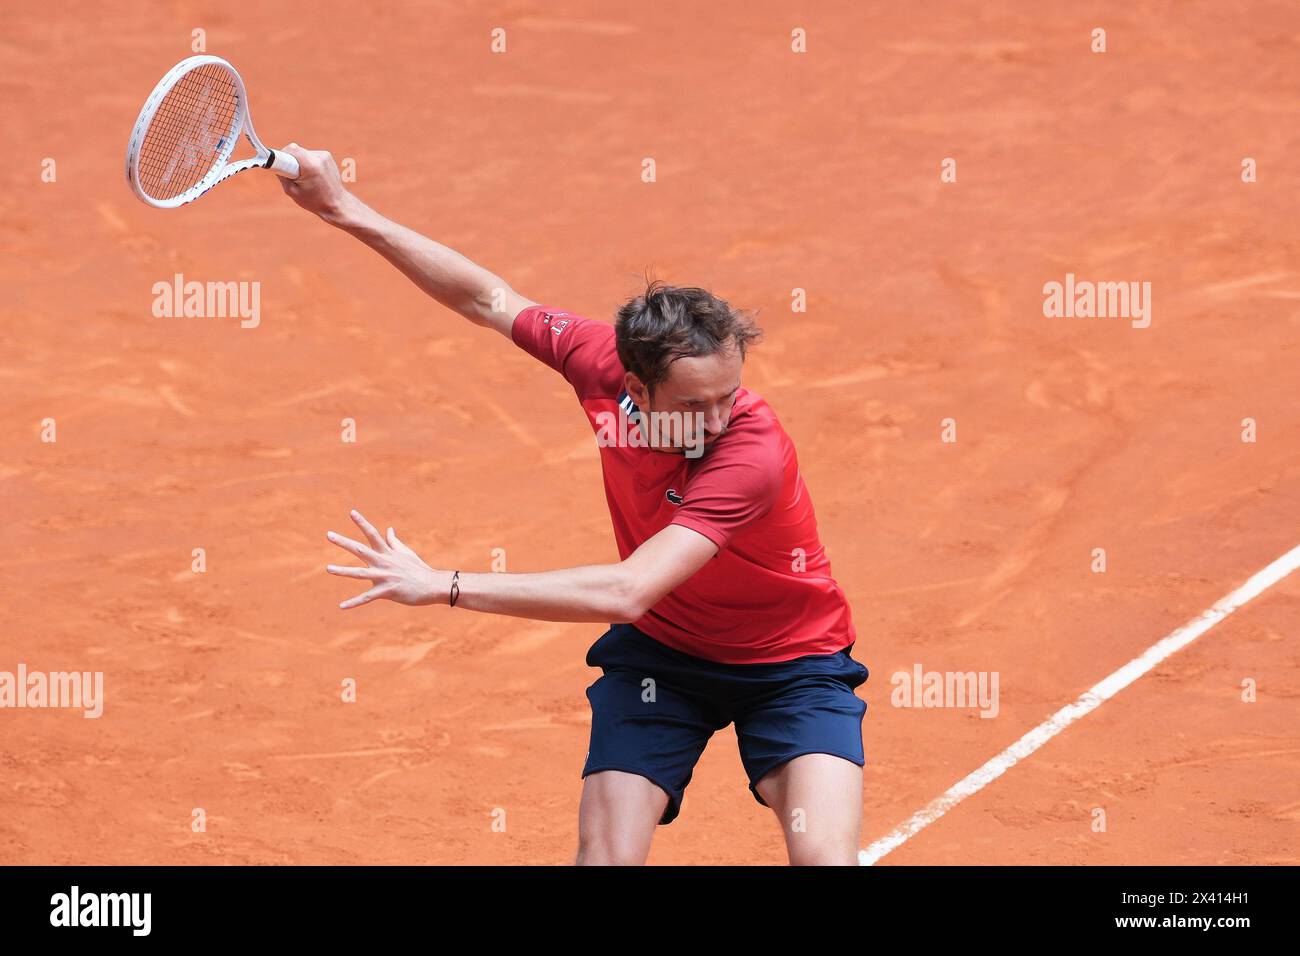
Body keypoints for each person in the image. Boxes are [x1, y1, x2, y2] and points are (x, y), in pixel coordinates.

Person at [279, 144, 869, 865]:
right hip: (666, 659)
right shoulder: (595, 363)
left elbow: (628, 590)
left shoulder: (751, 452)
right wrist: (344, 209)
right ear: (635, 384)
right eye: (693, 404)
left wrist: (447, 585)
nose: (716, 419)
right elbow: (483, 297)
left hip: (792, 666)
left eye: (728, 396)